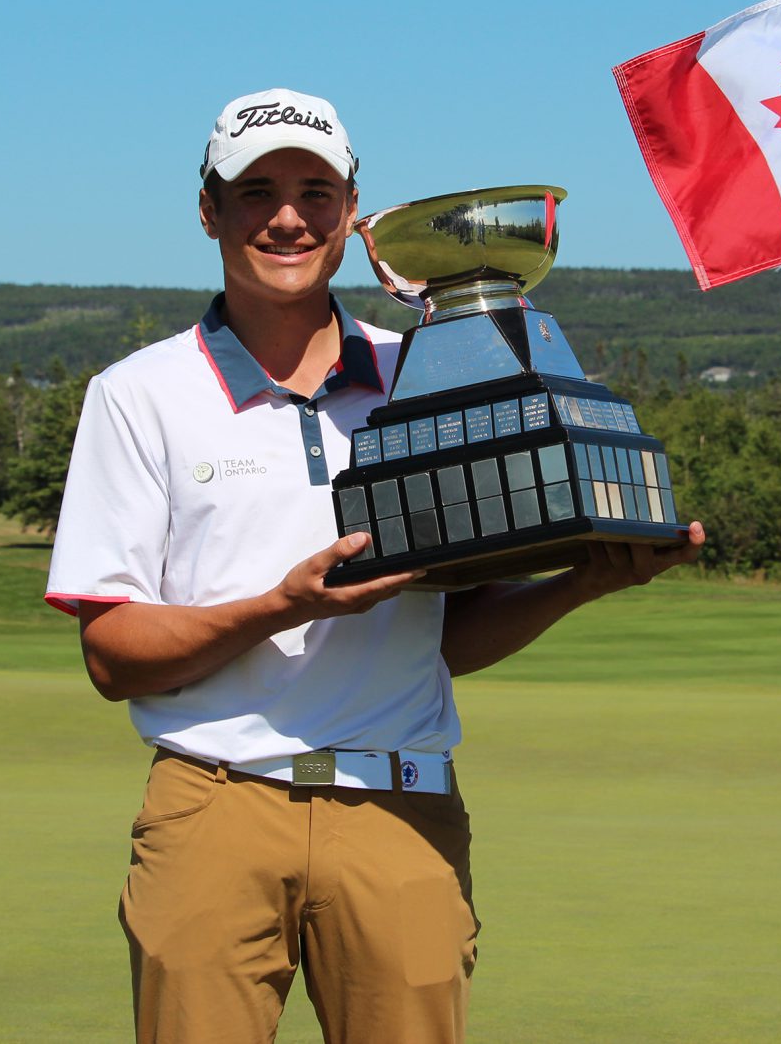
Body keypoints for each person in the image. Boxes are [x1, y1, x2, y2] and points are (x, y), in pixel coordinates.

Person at [43, 87, 704, 1044]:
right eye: (256, 190)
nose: (287, 216)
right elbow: (114, 656)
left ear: (354, 215)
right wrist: (279, 605)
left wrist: (584, 578)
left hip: (400, 805)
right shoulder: (139, 394)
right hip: (216, 799)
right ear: (209, 211)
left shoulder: (425, 369)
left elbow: (449, 634)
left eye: (316, 191)